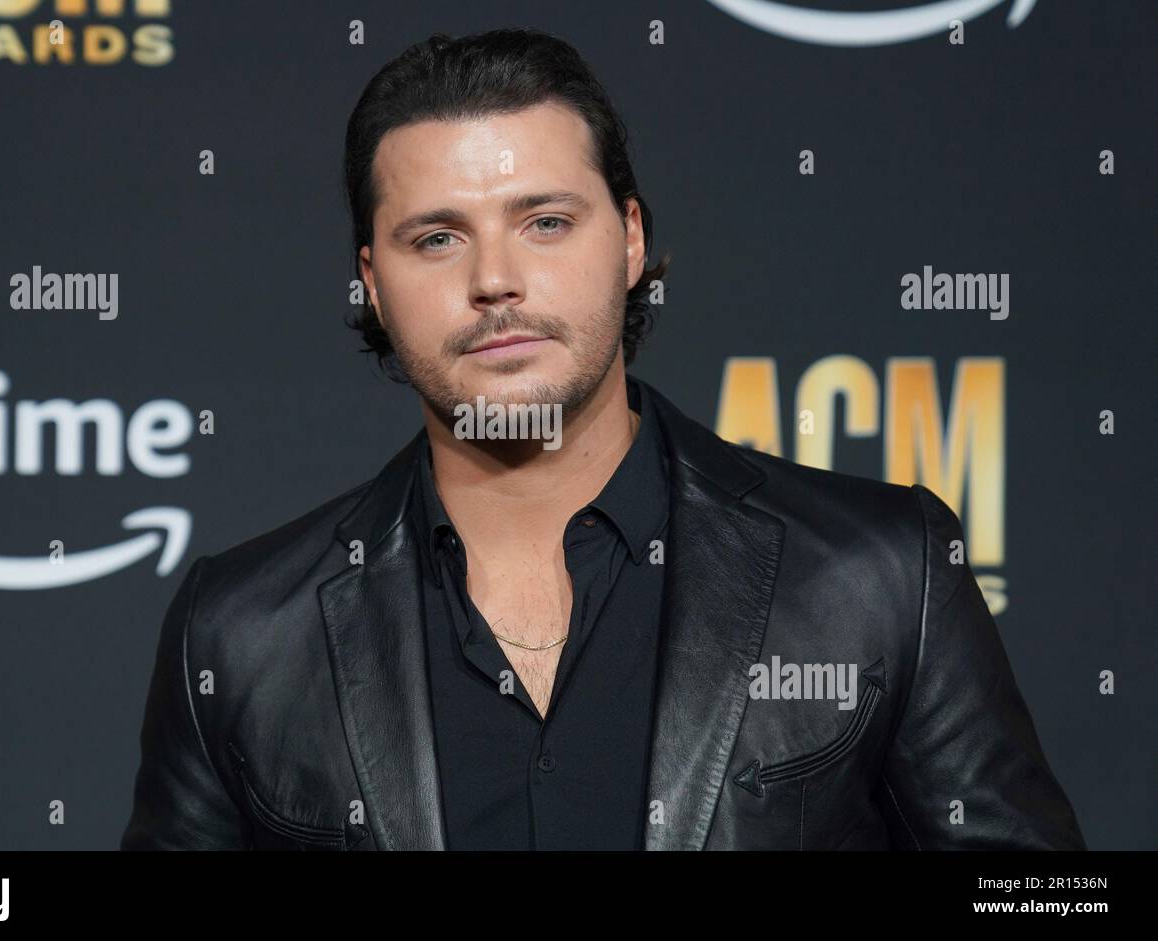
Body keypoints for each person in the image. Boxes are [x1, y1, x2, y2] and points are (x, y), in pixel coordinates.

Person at [121, 27, 1084, 850]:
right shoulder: (243, 634)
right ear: (370, 279)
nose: (495, 279)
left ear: (628, 238)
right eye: (438, 239)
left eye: (544, 221)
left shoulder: (879, 573)